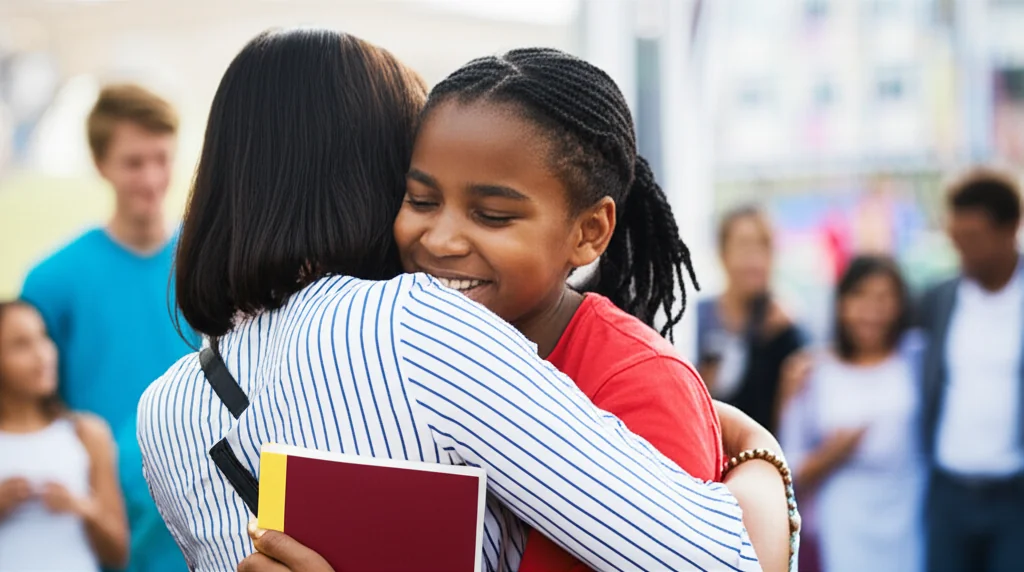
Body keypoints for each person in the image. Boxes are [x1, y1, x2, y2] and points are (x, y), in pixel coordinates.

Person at [138, 29, 775, 572]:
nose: (442, 238)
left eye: (491, 213)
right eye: (418, 196)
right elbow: (719, 558)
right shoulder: (413, 323)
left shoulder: (163, 412)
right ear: (378, 175)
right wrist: (762, 460)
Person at [20, 83, 193, 572]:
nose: (152, 178)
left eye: (162, 159)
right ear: (100, 164)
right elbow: (27, 409)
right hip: (98, 527)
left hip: (202, 513)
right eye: (134, 163)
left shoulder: (214, 265)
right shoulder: (52, 281)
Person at [780, 256, 925, 572]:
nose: (871, 311)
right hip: (841, 522)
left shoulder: (917, 358)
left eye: (883, 297)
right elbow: (788, 465)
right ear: (842, 303)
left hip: (909, 517)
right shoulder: (814, 371)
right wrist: (830, 455)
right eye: (860, 296)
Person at [918, 168, 1024, 572]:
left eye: (974, 238)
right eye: (956, 239)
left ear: (1010, 228)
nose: (963, 251)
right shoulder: (939, 299)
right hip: (949, 495)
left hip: (1015, 498)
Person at [0, 300, 128, 572]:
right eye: (21, 345)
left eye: (43, 337)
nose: (42, 354)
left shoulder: (86, 433)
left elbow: (118, 553)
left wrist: (84, 508)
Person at [697, 206, 805, 434]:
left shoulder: (785, 330)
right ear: (723, 253)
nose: (755, 259)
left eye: (763, 246)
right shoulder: (696, 319)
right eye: (744, 245)